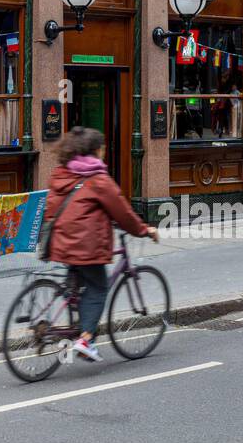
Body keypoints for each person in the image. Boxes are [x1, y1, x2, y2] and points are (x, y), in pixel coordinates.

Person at [43, 126, 158, 363]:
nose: (104, 152)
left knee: (80, 287)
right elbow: (123, 212)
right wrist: (144, 230)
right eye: (103, 148)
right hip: (85, 245)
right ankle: (85, 339)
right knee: (98, 288)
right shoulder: (97, 178)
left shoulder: (62, 172)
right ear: (96, 150)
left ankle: (77, 330)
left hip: (60, 240)